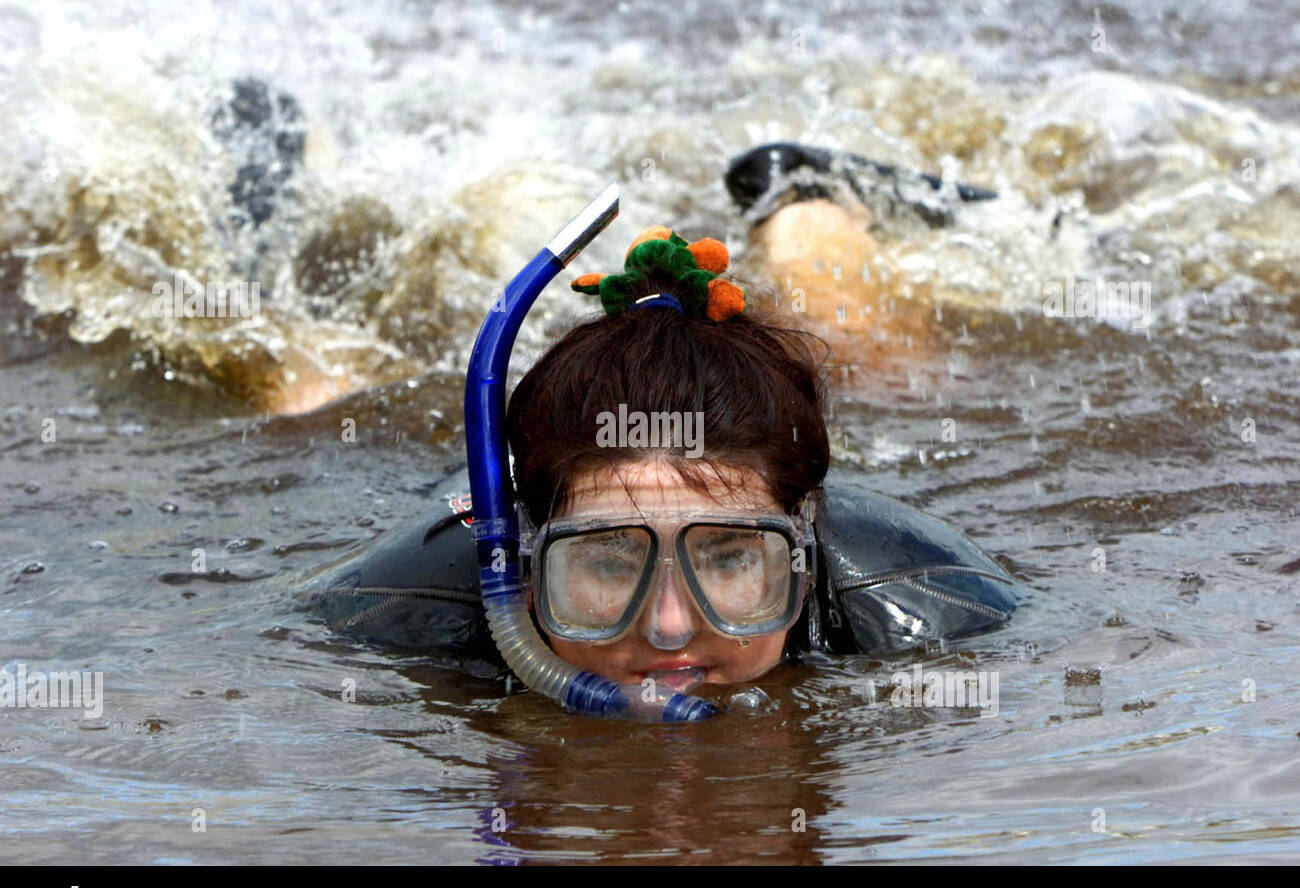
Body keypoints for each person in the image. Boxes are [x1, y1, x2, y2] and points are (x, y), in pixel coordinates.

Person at [304, 194, 1018, 719]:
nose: (669, 628)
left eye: (731, 555)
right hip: (448, 480)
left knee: (894, 367)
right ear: (521, 565)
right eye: (610, 559)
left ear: (802, 548)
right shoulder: (394, 615)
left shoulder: (927, 600)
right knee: (314, 393)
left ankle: (802, 204)